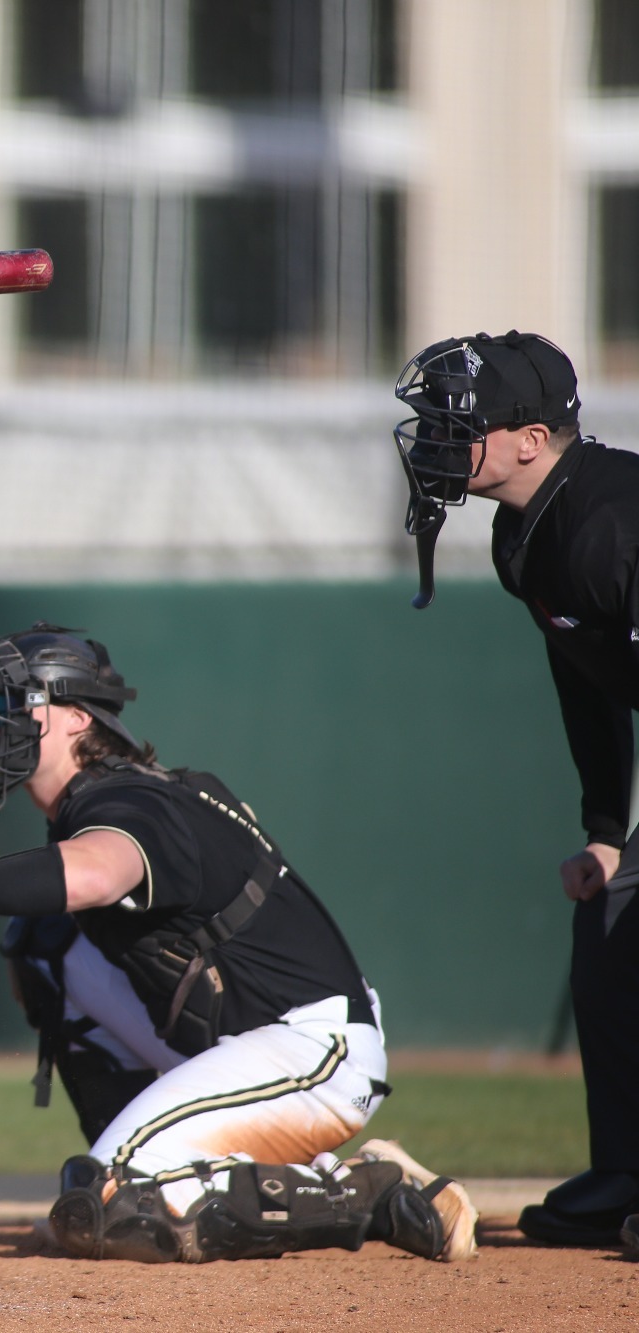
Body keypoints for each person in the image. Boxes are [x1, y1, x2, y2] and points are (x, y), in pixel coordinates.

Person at [0, 624, 474, 1263]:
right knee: (44, 944)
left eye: (6, 702)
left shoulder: (134, 799)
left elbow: (98, 871)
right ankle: (143, 1157)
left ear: (77, 717)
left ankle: (374, 1190)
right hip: (239, 1040)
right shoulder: (107, 798)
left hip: (313, 1049)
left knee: (107, 1200)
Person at [393, 331, 639, 1249]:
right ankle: (626, 1167)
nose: (435, 442)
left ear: (531, 438)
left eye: (459, 424)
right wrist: (608, 826)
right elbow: (589, 677)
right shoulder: (526, 536)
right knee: (610, 908)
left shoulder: (617, 522)